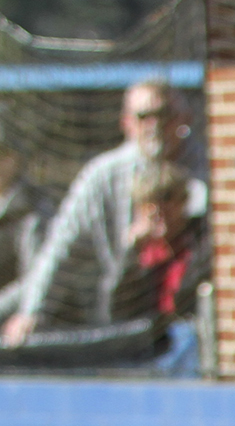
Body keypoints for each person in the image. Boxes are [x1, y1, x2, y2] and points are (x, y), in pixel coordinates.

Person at [3, 78, 204, 344]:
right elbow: (59, 251)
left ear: (184, 118)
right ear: (126, 123)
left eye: (164, 114)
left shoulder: (207, 171)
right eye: (144, 116)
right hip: (124, 322)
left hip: (192, 322)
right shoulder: (103, 177)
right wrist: (31, 314)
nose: (155, 125)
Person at [0, 121, 58, 320]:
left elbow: (34, 281)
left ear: (14, 158)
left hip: (14, 326)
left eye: (1, 154)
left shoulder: (34, 213)